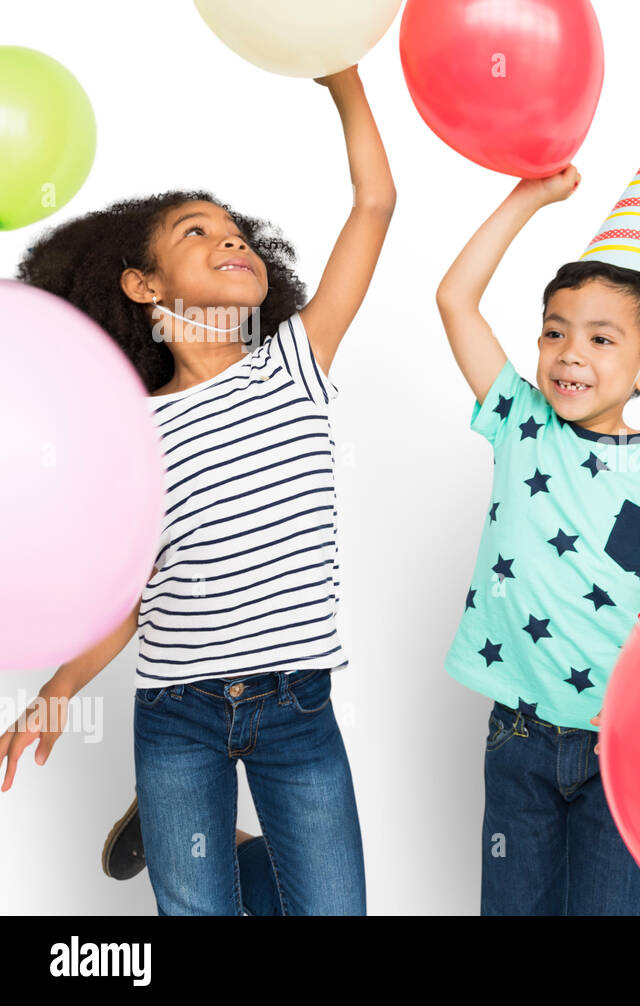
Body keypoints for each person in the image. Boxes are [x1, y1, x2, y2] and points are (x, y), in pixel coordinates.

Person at [0, 66, 395, 916]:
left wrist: (345, 82)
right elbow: (132, 593)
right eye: (197, 233)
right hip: (177, 714)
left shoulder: (294, 364)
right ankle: (204, 829)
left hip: (296, 707)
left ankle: (247, 847)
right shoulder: (125, 428)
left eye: (239, 233)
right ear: (144, 288)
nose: (233, 241)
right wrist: (58, 691)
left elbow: (373, 207)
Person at [436, 160, 640, 915]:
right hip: (518, 732)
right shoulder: (521, 423)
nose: (570, 353)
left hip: (625, 741)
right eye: (555, 331)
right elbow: (455, 299)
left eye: (599, 338)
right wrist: (529, 197)